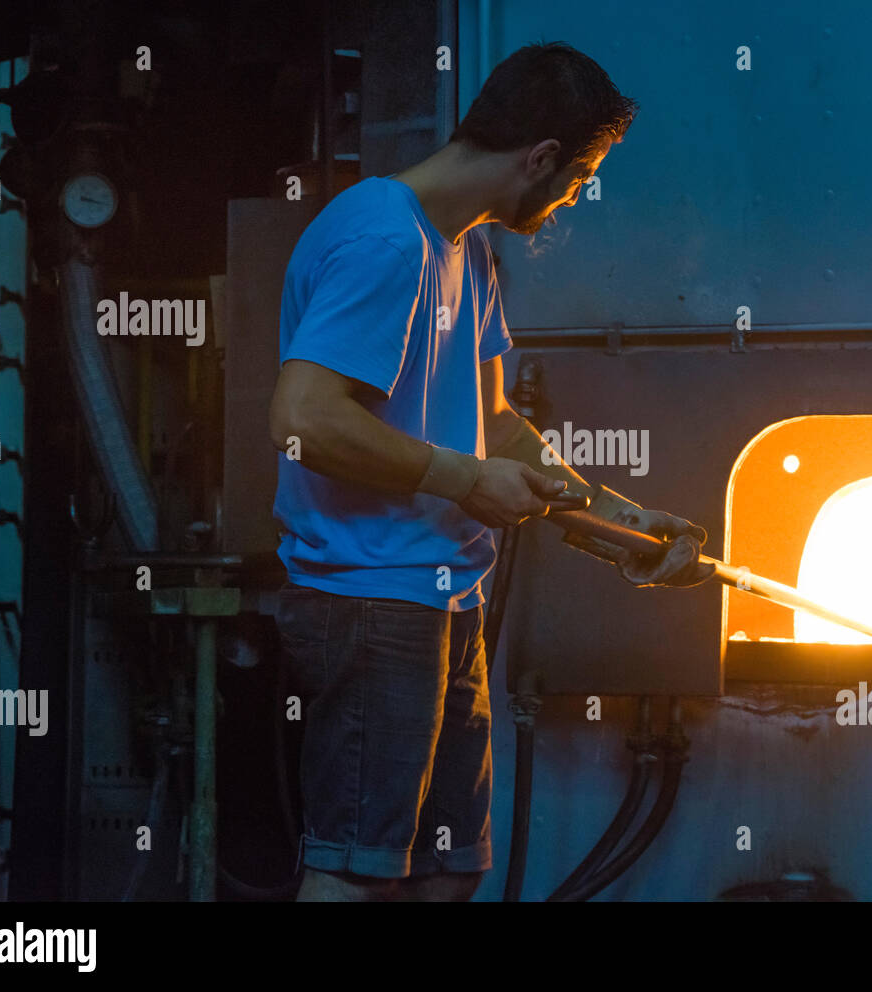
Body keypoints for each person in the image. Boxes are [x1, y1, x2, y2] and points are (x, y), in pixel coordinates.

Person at [268, 42, 713, 902]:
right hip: (372, 599)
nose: (575, 196)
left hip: (445, 599)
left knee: (446, 875)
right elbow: (302, 420)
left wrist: (616, 525)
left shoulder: (464, 254)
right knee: (355, 877)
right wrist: (462, 482)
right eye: (580, 175)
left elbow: (496, 427)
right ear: (541, 158)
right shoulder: (384, 240)